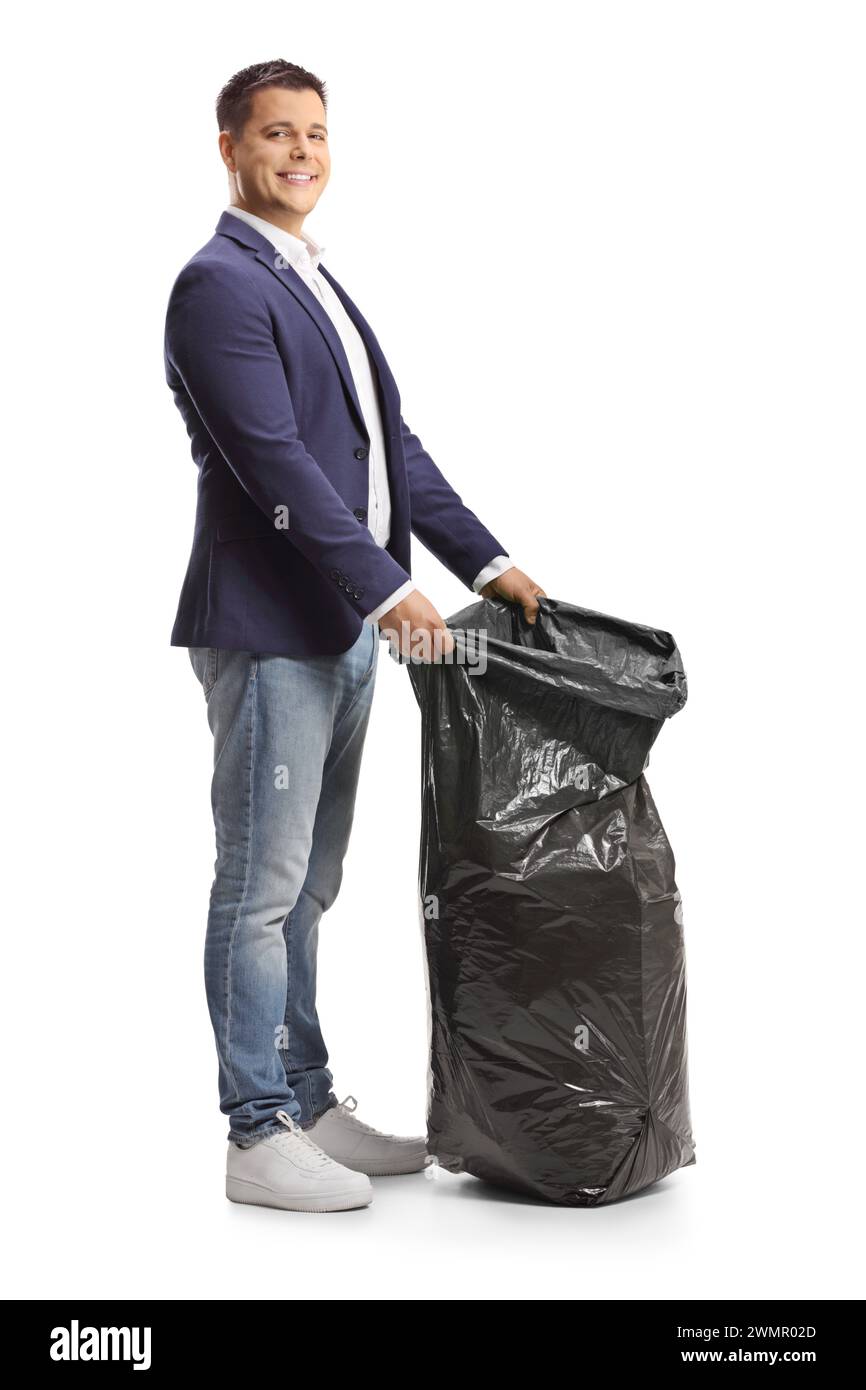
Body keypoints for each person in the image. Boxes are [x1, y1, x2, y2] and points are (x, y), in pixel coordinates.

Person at [164, 58, 546, 1213]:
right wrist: (390, 590)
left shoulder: (315, 280)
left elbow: (391, 453)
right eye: (276, 134)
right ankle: (255, 1129)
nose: (301, 152)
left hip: (338, 625)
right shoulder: (218, 284)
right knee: (261, 885)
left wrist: (484, 558)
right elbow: (272, 460)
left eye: (316, 134)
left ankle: (307, 1095)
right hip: (275, 629)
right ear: (228, 148)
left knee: (311, 883)